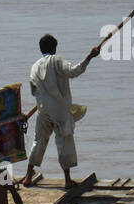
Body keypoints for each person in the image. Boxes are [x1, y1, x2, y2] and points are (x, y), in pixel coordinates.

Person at [21, 34, 98, 188]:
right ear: (54, 48)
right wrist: (90, 57)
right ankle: (67, 180)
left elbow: (33, 91)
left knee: (39, 141)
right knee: (64, 142)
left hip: (43, 110)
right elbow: (74, 71)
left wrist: (45, 98)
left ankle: (28, 177)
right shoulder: (56, 60)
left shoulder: (34, 66)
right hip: (60, 111)